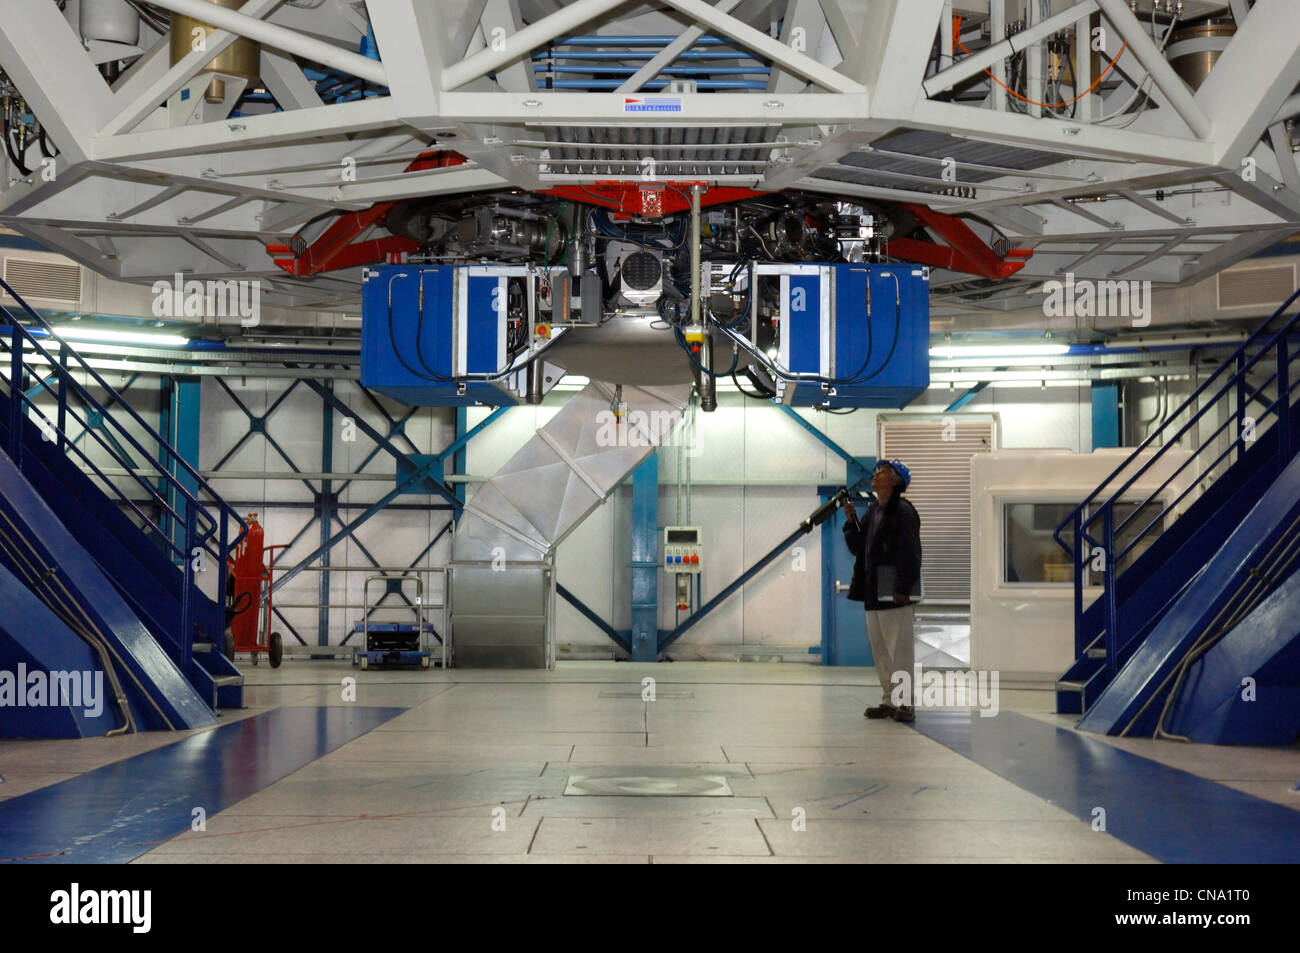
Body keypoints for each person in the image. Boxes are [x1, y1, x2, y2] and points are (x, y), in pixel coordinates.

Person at [841, 459, 922, 723]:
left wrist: (902, 587)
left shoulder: (903, 511)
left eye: (883, 472)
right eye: (876, 472)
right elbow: (858, 547)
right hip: (874, 585)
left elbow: (911, 552)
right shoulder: (874, 510)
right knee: (881, 648)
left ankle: (906, 702)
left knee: (899, 648)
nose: (876, 476)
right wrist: (851, 521)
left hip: (893, 585)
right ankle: (890, 700)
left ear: (896, 481)